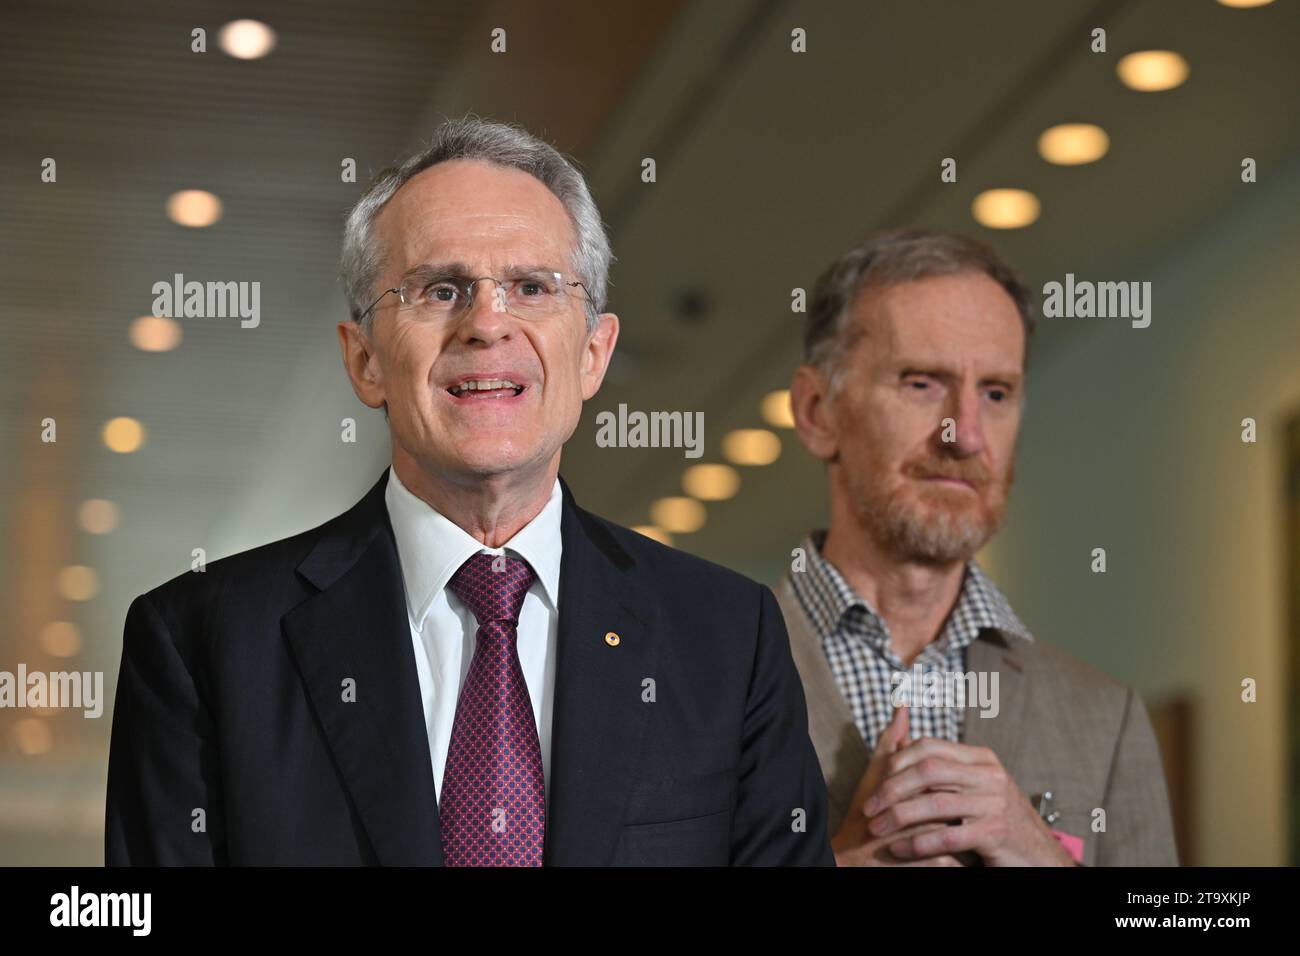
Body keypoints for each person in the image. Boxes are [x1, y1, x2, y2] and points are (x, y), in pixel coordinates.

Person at [105, 117, 832, 867]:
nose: (487, 324)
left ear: (592, 354)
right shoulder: (201, 641)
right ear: (365, 362)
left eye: (531, 286)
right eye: (440, 289)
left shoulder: (725, 636)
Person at [776, 228, 1178, 866]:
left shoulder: (1106, 719)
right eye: (921, 384)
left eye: (996, 393)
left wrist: (1044, 857)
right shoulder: (685, 679)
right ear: (818, 411)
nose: (964, 435)